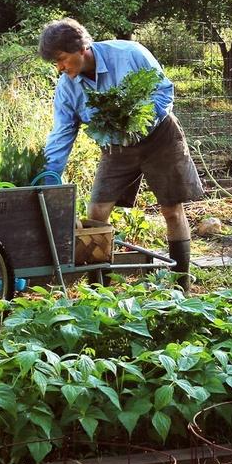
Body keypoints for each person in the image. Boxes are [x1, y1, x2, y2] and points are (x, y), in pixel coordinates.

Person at [39, 18, 204, 291]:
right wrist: (48, 175)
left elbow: (164, 91)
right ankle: (98, 290)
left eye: (62, 59)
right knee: (96, 213)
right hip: (116, 148)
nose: (60, 68)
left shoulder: (130, 54)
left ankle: (181, 287)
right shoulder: (67, 87)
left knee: (171, 210)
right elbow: (62, 133)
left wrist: (140, 121)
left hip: (158, 137)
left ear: (82, 49)